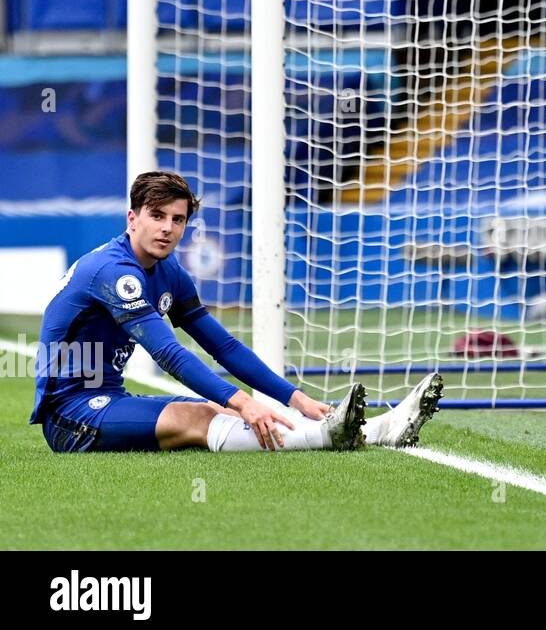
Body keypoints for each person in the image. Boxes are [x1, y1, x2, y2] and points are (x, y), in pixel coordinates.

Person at [31, 170, 442, 453]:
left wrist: (296, 398)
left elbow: (222, 345)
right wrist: (246, 403)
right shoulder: (114, 272)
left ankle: (367, 431)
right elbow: (169, 354)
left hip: (109, 396)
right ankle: (337, 437)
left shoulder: (169, 271)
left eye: (178, 220)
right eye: (156, 216)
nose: (167, 229)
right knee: (197, 416)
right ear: (132, 218)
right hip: (70, 415)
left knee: (219, 407)